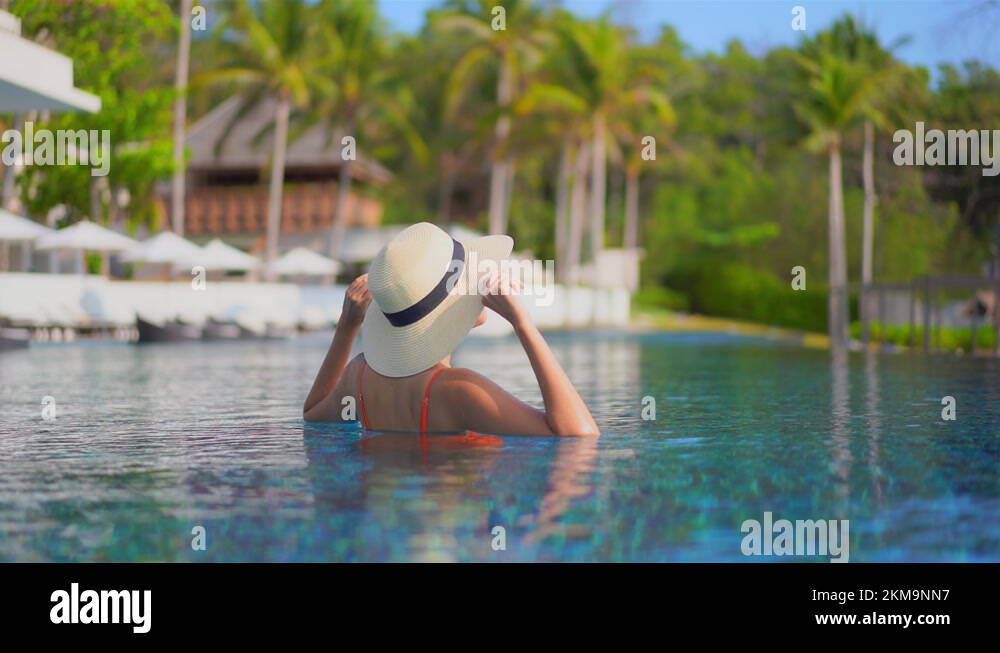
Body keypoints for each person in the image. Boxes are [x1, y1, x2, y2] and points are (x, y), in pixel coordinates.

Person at [303, 222, 599, 437]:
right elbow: (579, 435)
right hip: (451, 518)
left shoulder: (360, 375)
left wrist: (347, 327)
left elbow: (314, 415)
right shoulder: (459, 390)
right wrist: (522, 323)